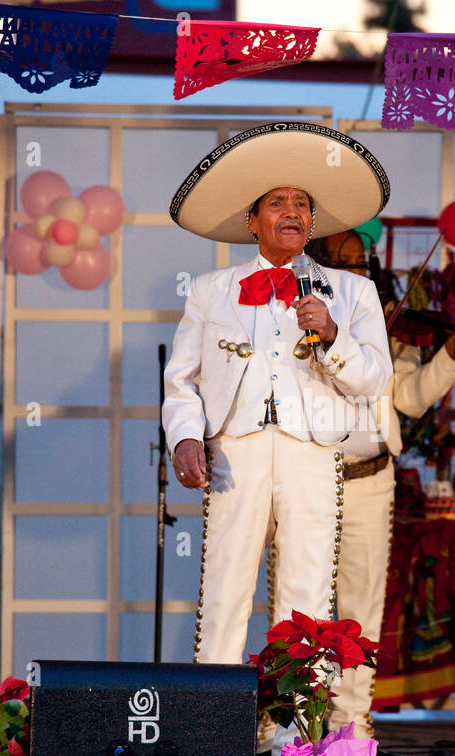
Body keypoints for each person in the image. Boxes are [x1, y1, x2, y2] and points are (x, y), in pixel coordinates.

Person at [163, 124, 393, 668]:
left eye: (301, 204)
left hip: (312, 450)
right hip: (235, 451)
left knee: (307, 596)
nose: (292, 212)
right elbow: (182, 380)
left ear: (312, 220)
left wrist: (333, 336)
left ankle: (296, 743)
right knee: (224, 587)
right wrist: (186, 438)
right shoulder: (210, 289)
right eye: (277, 203)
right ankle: (215, 733)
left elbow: (374, 381)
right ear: (252, 221)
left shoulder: (353, 291)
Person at [308, 230, 455, 738]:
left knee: (362, 605)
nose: (353, 271)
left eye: (359, 262)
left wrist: (451, 353)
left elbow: (407, 400)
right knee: (305, 604)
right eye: (340, 262)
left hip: (372, 478)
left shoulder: (390, 327)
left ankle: (352, 723)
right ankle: (301, 722)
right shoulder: (300, 318)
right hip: (309, 477)